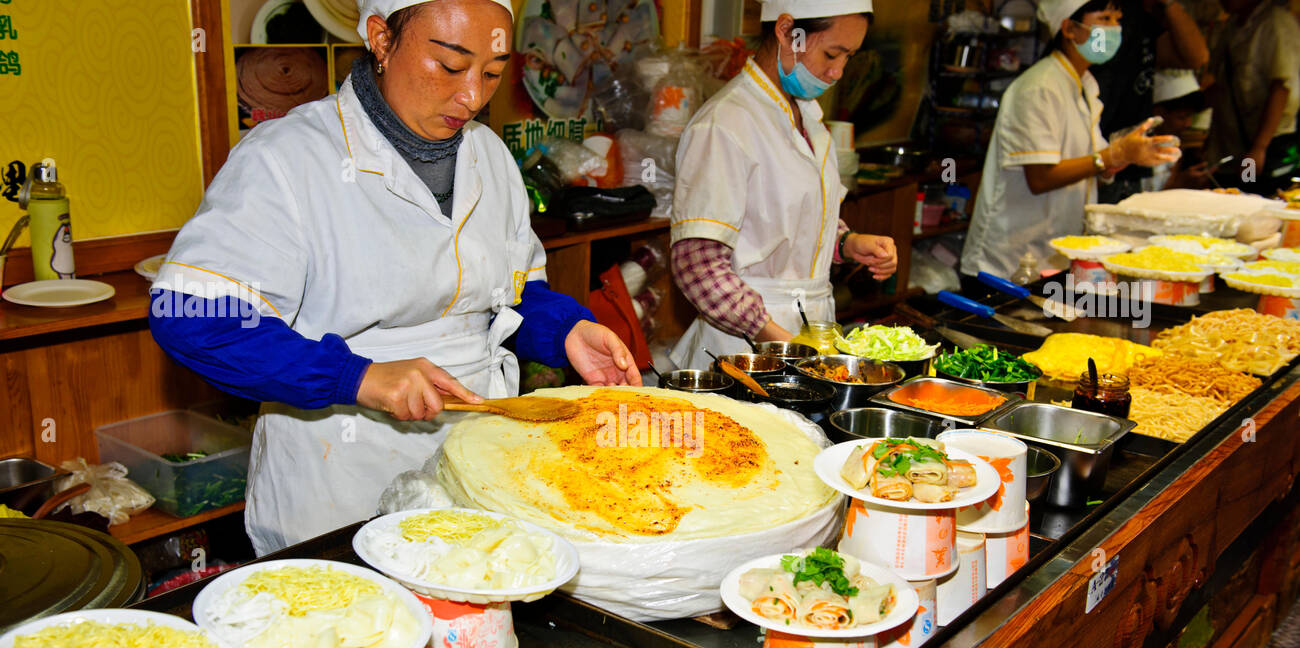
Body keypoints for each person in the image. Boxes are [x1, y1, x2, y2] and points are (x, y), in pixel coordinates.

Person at [149, 0, 640, 555]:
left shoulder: (491, 157)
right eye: (451, 67)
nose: (473, 96)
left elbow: (512, 294)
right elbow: (190, 315)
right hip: (340, 486)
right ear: (381, 39)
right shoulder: (288, 159)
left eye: (492, 73)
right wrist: (358, 377)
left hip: (477, 470)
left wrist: (565, 331)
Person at [667, 0, 897, 370]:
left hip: (804, 334)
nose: (837, 72)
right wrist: (778, 339)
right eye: (832, 54)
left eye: (848, 58)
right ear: (788, 30)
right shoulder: (724, 124)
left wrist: (846, 243)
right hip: (743, 348)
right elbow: (698, 267)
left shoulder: (806, 116)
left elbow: (790, 215)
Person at [960, 0, 1182, 284]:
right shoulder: (1039, 87)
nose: (1114, 28)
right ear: (1069, 28)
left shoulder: (1085, 85)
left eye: (1117, 18)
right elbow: (1039, 177)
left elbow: (1092, 165)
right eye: (1103, 18)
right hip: (1009, 263)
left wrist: (1126, 155)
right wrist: (1110, 156)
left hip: (1051, 256)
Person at [1090, 0, 1208, 202]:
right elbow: (1095, 57)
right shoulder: (1099, 15)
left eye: (1116, 19)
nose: (1114, 23)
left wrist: (1169, 4)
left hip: (1127, 164)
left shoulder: (1141, 21)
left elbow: (1197, 58)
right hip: (1095, 155)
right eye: (1108, 19)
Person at [1205, 0, 1300, 195]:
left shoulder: (1275, 23)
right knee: (1235, 195)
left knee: (1254, 198)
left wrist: (1259, 147)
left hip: (1262, 146)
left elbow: (1281, 87)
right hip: (1232, 146)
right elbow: (1218, 84)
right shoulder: (1232, 25)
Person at [1142, 69, 1212, 190]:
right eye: (1182, 117)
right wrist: (1178, 185)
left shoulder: (1173, 145)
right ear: (1158, 113)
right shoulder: (1139, 150)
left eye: (1191, 117)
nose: (1188, 124)